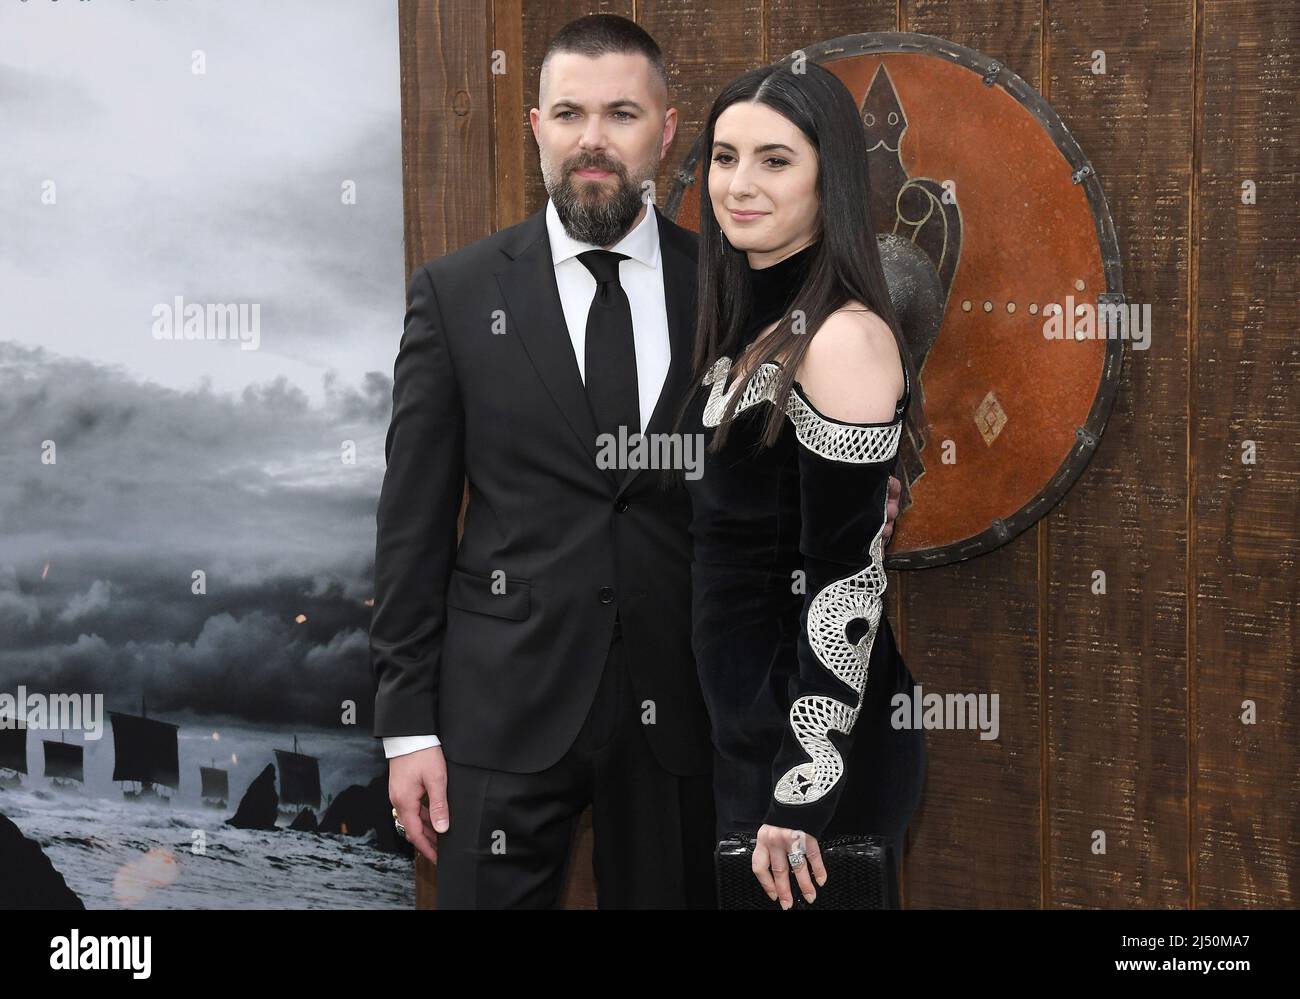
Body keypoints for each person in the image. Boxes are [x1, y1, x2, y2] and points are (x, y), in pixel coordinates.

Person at [372, 14, 899, 909]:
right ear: (536, 127)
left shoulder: (732, 286)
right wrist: (405, 729)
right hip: (500, 716)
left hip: (689, 720)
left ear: (664, 129)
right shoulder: (457, 297)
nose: (592, 138)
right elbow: (410, 529)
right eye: (569, 112)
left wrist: (864, 500)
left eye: (621, 112)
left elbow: (812, 466)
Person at [677, 61, 928, 910]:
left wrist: (802, 788)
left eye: (775, 160)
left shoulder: (842, 338)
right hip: (752, 736)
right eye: (723, 157)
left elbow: (846, 584)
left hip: (809, 760)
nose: (738, 184)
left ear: (833, 178)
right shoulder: (748, 319)